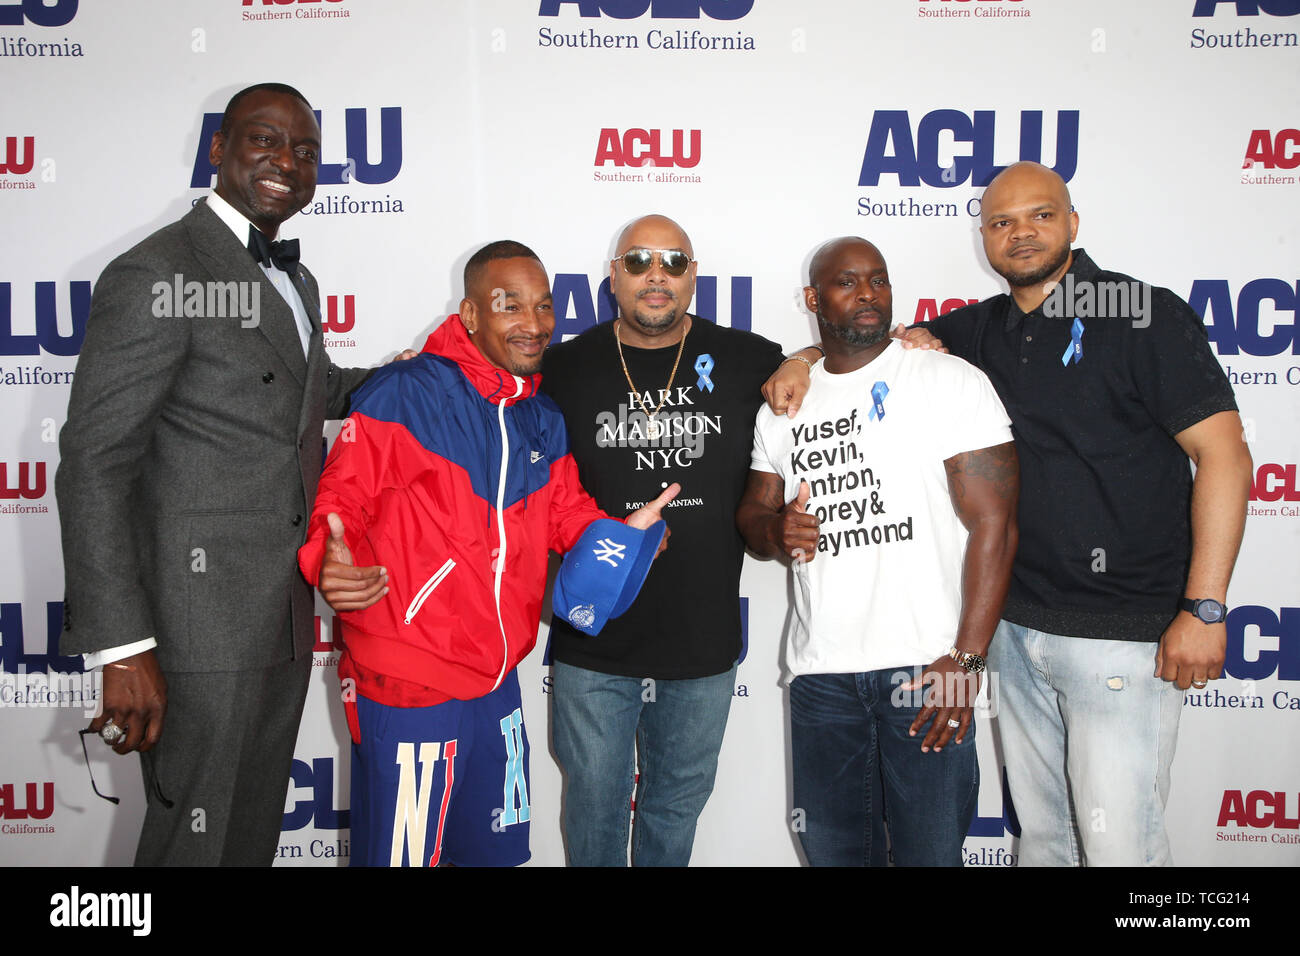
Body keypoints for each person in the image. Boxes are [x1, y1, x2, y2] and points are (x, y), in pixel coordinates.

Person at [763, 162, 1253, 866]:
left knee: (1121, 848)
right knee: (1046, 841)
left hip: (1120, 634)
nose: (1020, 233)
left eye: (1040, 216)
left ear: (1073, 224)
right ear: (985, 237)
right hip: (1016, 633)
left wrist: (1204, 607)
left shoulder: (1145, 314)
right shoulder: (980, 329)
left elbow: (1226, 457)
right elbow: (864, 338)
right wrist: (804, 357)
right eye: (1001, 222)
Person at [56, 83, 374, 865]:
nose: (286, 163)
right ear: (219, 150)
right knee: (190, 847)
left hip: (282, 615)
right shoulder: (160, 269)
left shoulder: (295, 282)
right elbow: (95, 462)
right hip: (195, 627)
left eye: (305, 152)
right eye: (266, 140)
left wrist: (423, 376)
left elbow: (315, 392)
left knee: (248, 837)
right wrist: (123, 648)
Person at [296, 241, 678, 867]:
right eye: (510, 306)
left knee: (494, 858)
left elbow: (565, 513)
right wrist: (326, 562)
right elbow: (340, 505)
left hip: (499, 683)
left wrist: (621, 534)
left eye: (544, 306)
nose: (533, 324)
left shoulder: (541, 416)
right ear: (470, 314)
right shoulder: (404, 393)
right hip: (410, 681)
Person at [736, 237, 1018, 866]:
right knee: (833, 857)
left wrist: (967, 663)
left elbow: (995, 527)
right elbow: (753, 515)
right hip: (820, 677)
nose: (867, 294)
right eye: (846, 282)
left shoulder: (947, 379)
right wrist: (777, 530)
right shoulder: (783, 404)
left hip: (927, 671)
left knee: (930, 859)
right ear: (813, 298)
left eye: (878, 280)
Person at [539, 214, 785, 866]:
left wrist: (820, 355)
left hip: (701, 638)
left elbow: (830, 371)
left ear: (694, 277)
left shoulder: (748, 359)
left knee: (675, 807)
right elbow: (483, 399)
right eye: (640, 261)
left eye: (674, 262)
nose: (657, 275)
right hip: (594, 636)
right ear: (613, 277)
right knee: (594, 804)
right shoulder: (562, 367)